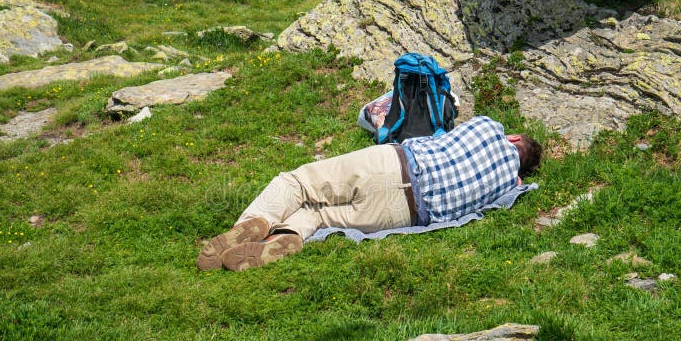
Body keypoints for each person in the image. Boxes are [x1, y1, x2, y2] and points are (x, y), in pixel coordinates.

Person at [197, 115, 542, 271]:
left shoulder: (490, 128)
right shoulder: (507, 187)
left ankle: (253, 223)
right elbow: (511, 191)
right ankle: (282, 239)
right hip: (402, 213)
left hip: (394, 164)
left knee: (298, 183)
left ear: (513, 139)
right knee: (321, 215)